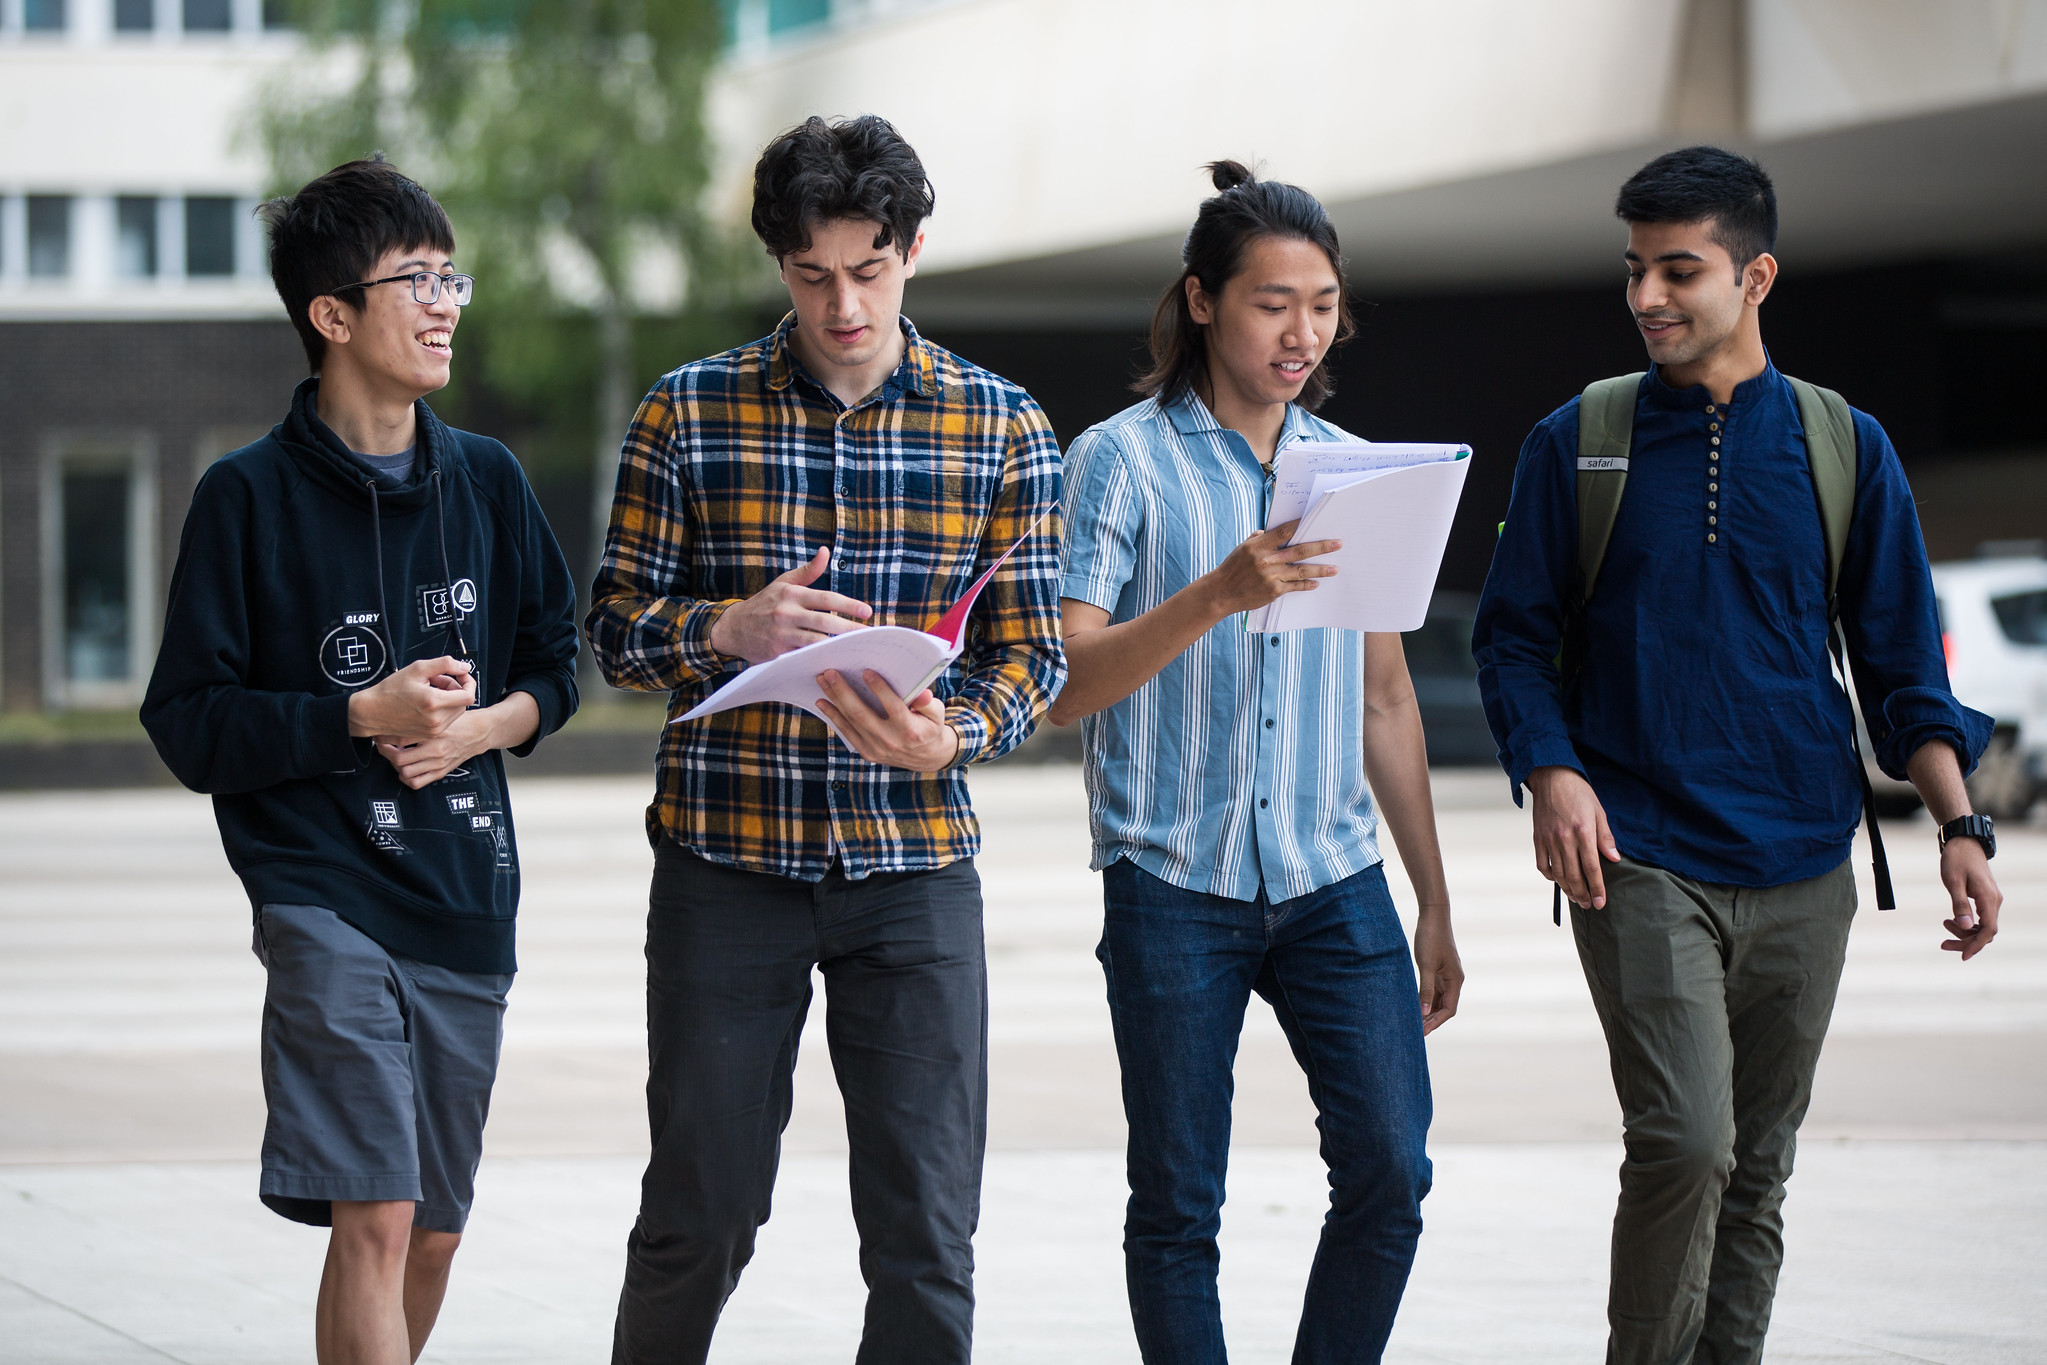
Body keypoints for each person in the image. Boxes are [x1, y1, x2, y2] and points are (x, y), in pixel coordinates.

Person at [1474, 145, 2003, 1365]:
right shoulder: (1580, 440)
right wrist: (1552, 771)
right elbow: (1512, 641)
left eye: (1679, 270)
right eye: (1634, 270)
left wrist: (1959, 826)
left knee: (1757, 1169)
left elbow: (1899, 662)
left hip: (1805, 859)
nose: (1647, 296)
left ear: (1755, 275)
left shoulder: (1842, 445)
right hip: (1639, 850)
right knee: (1684, 1142)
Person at [586, 114, 1064, 1365]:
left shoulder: (1004, 427)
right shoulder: (686, 413)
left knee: (924, 1232)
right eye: (811, 276)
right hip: (722, 871)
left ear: (913, 249)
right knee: (700, 1213)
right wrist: (727, 626)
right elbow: (616, 632)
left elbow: (1035, 656)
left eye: (869, 269)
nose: (843, 304)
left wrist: (950, 734)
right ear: (778, 264)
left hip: (912, 874)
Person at [140, 156, 580, 1365]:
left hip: (464, 892)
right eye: (415, 281)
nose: (446, 304)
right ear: (331, 316)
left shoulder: (485, 480)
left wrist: (482, 727)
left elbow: (557, 665)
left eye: (452, 277)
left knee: (432, 1233)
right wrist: (355, 717)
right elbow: (187, 720)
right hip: (320, 893)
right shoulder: (245, 498)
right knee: (377, 1212)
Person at [1050, 160, 1463, 1365]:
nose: (1301, 331)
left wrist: (1432, 898)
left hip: (1335, 879)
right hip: (1172, 882)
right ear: (1200, 301)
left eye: (1323, 302)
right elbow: (1068, 687)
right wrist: (1219, 593)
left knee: (1390, 1170)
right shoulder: (1116, 462)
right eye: (1272, 301)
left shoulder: (1357, 470)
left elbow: (1385, 697)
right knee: (1178, 1205)